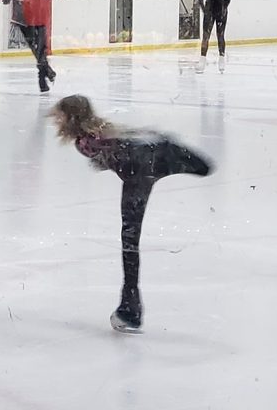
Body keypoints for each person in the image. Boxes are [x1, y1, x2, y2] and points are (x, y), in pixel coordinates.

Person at [51, 94, 213, 332]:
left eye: (60, 115)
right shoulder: (100, 130)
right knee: (201, 168)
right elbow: (122, 142)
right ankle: (174, 153)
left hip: (140, 170)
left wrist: (108, 160)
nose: (56, 120)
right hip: (154, 155)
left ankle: (130, 309)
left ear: (72, 117)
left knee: (129, 241)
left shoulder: (86, 141)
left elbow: (115, 149)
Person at [197, 0, 231, 72]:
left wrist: (224, 8)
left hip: (221, 11)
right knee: (206, 36)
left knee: (220, 35)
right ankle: (202, 60)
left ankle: (221, 58)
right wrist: (205, 10)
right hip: (210, 11)